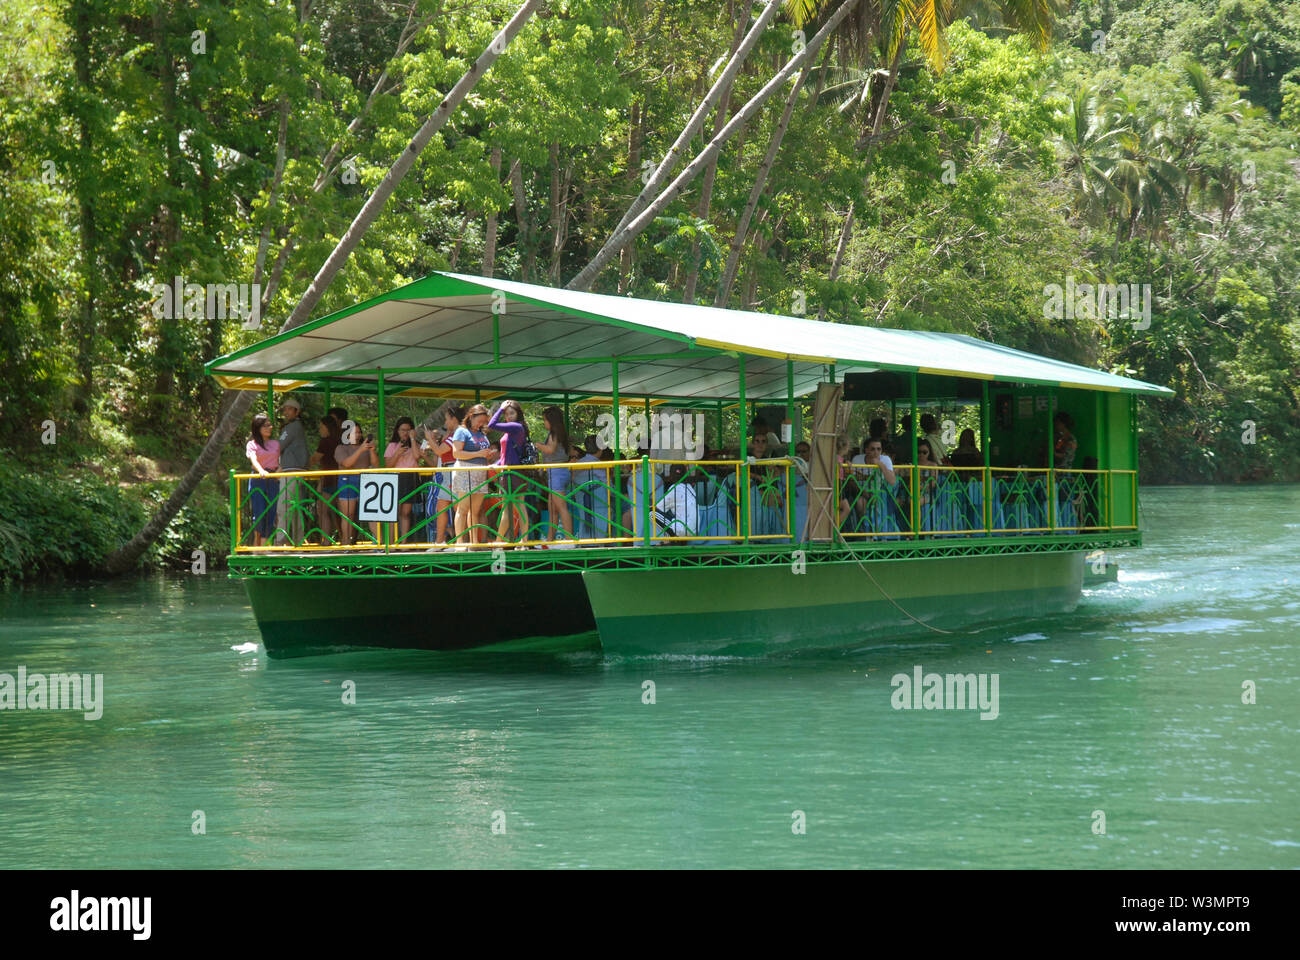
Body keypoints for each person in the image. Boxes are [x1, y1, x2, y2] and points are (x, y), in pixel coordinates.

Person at [449, 403, 496, 549]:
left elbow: (482, 452)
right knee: (462, 508)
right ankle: (460, 543)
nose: (481, 424)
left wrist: (488, 455)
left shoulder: (481, 433)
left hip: (480, 472)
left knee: (476, 511)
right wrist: (478, 454)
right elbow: (456, 453)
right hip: (465, 471)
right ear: (471, 417)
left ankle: (474, 542)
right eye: (479, 421)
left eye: (484, 421)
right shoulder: (461, 431)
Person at [486, 399, 532, 546]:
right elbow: (507, 454)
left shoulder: (516, 427)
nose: (508, 416)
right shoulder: (510, 430)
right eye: (506, 414)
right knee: (509, 507)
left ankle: (522, 541)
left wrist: (500, 409)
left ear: (518, 414)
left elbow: (491, 425)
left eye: (511, 413)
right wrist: (496, 464)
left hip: (514, 473)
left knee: (519, 505)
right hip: (508, 472)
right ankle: (504, 541)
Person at [535, 406, 575, 547]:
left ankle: (569, 540)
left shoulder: (554, 434)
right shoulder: (560, 434)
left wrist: (538, 445)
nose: (544, 423)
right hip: (556, 472)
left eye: (545, 420)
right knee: (552, 508)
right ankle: (550, 540)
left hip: (557, 472)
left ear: (551, 420)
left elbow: (550, 450)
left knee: (561, 506)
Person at [334, 419, 374, 547]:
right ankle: (346, 543)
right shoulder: (340, 448)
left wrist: (372, 450)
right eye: (353, 432)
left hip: (366, 482)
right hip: (347, 481)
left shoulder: (365, 448)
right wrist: (361, 450)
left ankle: (377, 542)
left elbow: (377, 464)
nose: (357, 435)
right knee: (348, 515)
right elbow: (347, 463)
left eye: (359, 432)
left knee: (370, 512)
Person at [275, 396, 309, 545]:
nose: (286, 412)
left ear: (297, 411)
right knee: (294, 507)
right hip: (294, 469)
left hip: (291, 470)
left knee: (284, 505)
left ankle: (280, 540)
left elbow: (278, 446)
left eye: (289, 409)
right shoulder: (295, 427)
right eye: (285, 409)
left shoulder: (293, 427)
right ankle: (297, 540)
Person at [244, 414, 280, 548]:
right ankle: (257, 544)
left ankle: (265, 544)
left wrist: (278, 472)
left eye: (270, 425)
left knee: (271, 511)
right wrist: (261, 471)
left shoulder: (276, 444)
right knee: (259, 512)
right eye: (266, 425)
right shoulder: (252, 444)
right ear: (257, 428)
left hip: (273, 478)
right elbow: (253, 460)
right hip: (258, 478)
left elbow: (282, 459)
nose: (269, 428)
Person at [418, 417, 455, 546]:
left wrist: (430, 440)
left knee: (451, 508)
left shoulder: (447, 443)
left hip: (447, 475)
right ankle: (443, 537)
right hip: (439, 475)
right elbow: (435, 464)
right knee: (433, 509)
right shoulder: (438, 448)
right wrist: (425, 456)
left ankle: (452, 536)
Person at [384, 417, 420, 542]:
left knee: (406, 512)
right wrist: (397, 453)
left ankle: (403, 542)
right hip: (395, 478)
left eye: (408, 430)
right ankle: (391, 542)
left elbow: (417, 456)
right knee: (394, 512)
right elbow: (388, 464)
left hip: (411, 478)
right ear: (397, 431)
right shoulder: (392, 445)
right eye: (402, 430)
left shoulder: (415, 444)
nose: (405, 433)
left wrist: (413, 439)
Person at [308, 414, 342, 544]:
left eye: (321, 426)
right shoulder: (338, 440)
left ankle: (326, 540)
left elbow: (314, 459)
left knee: (323, 510)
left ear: (327, 427)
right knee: (340, 512)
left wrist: (301, 466)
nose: (320, 429)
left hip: (330, 481)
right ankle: (345, 539)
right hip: (338, 480)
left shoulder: (325, 441)